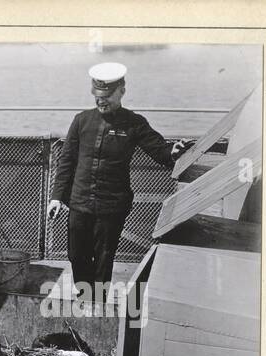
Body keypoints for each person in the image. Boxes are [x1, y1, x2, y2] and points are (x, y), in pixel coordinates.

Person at [48, 62, 186, 306]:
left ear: (121, 91)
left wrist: (173, 152)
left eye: (107, 97)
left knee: (103, 256)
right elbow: (67, 161)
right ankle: (85, 295)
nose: (101, 102)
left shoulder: (134, 123)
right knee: (76, 254)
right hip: (79, 201)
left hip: (112, 205)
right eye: (98, 96)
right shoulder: (81, 121)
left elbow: (158, 149)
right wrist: (57, 197)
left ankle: (96, 302)